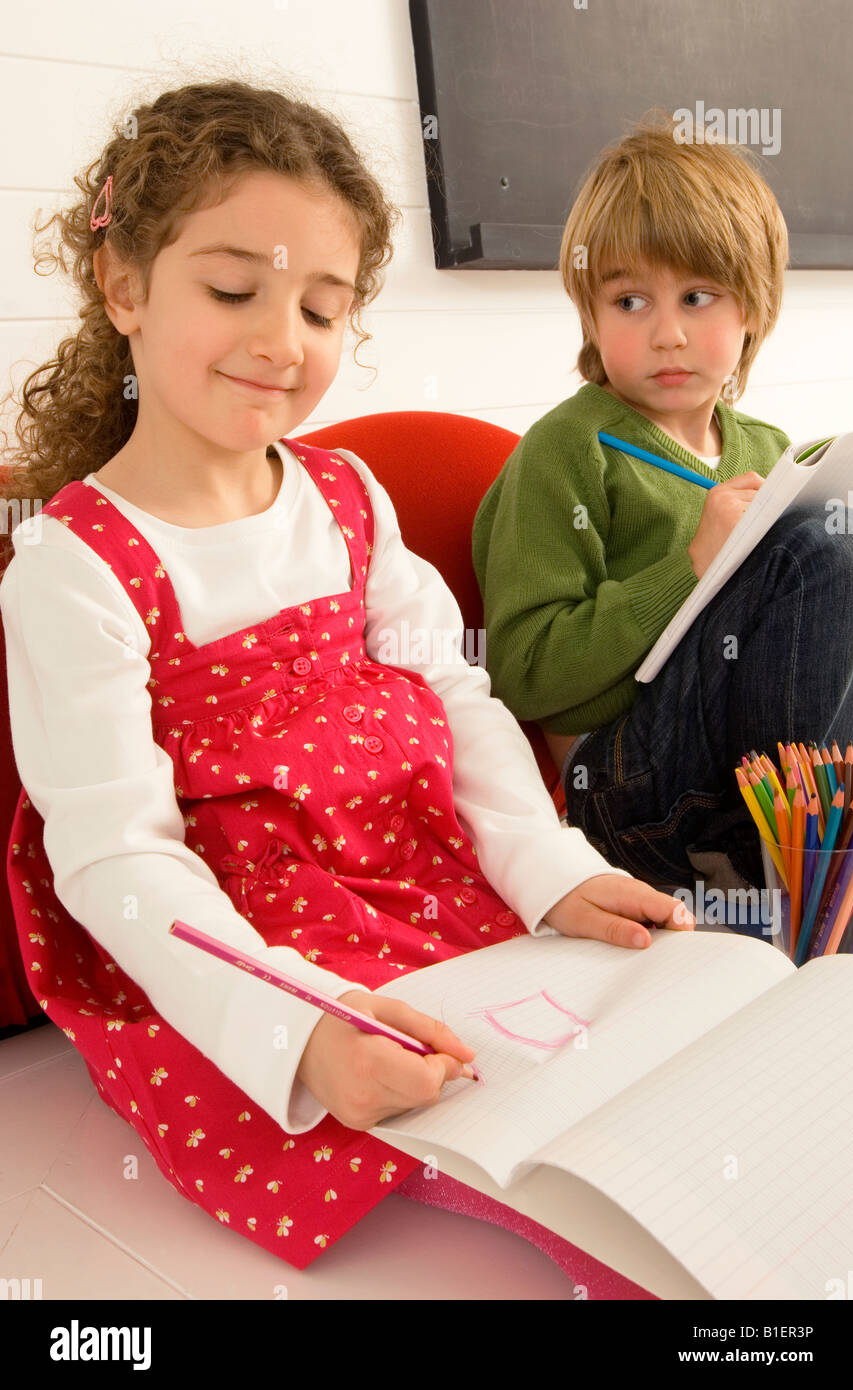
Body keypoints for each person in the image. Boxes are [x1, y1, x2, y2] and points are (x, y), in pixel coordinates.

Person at [0, 79, 693, 1278]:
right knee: (526, 1164)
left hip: (426, 881)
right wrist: (296, 1029)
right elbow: (116, 858)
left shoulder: (346, 495)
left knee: (647, 1070)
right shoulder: (73, 566)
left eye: (322, 309)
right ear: (123, 286)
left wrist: (550, 869)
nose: (281, 341)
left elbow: (461, 699)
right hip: (243, 949)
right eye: (232, 291)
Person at [472, 110, 853, 896]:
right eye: (628, 302)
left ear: (749, 309)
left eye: (696, 296)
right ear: (589, 314)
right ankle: (814, 877)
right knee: (819, 548)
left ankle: (820, 858)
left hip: (739, 767)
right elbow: (521, 672)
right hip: (623, 786)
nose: (667, 335)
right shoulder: (568, 451)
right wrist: (688, 569)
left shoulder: (764, 447)